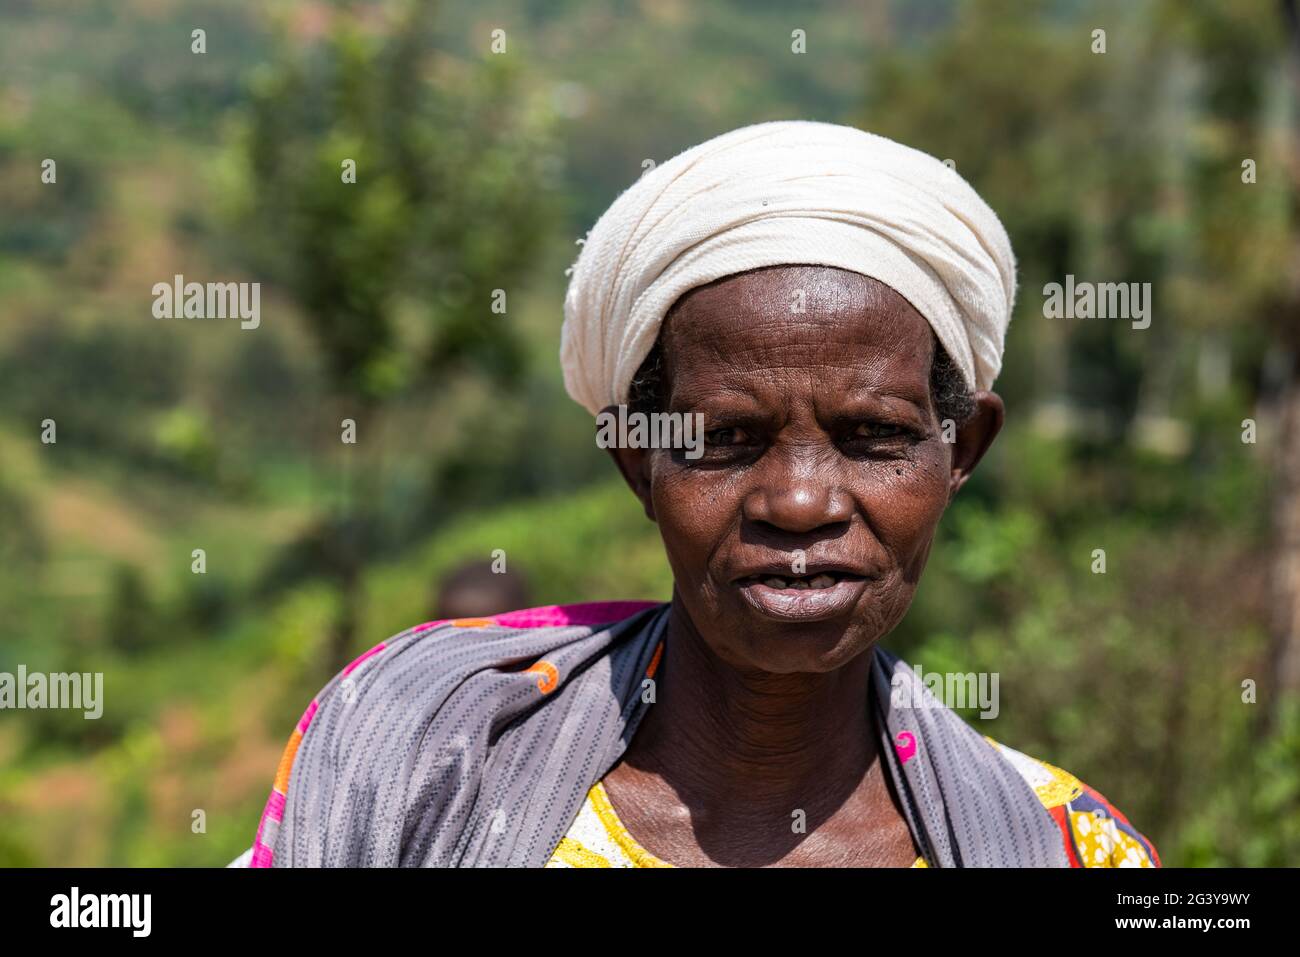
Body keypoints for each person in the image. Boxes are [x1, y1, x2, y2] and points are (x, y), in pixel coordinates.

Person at [235, 120, 1158, 868]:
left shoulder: (1065, 849)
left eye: (873, 436)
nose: (799, 502)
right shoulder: (420, 759)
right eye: (725, 440)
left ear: (962, 451)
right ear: (638, 464)